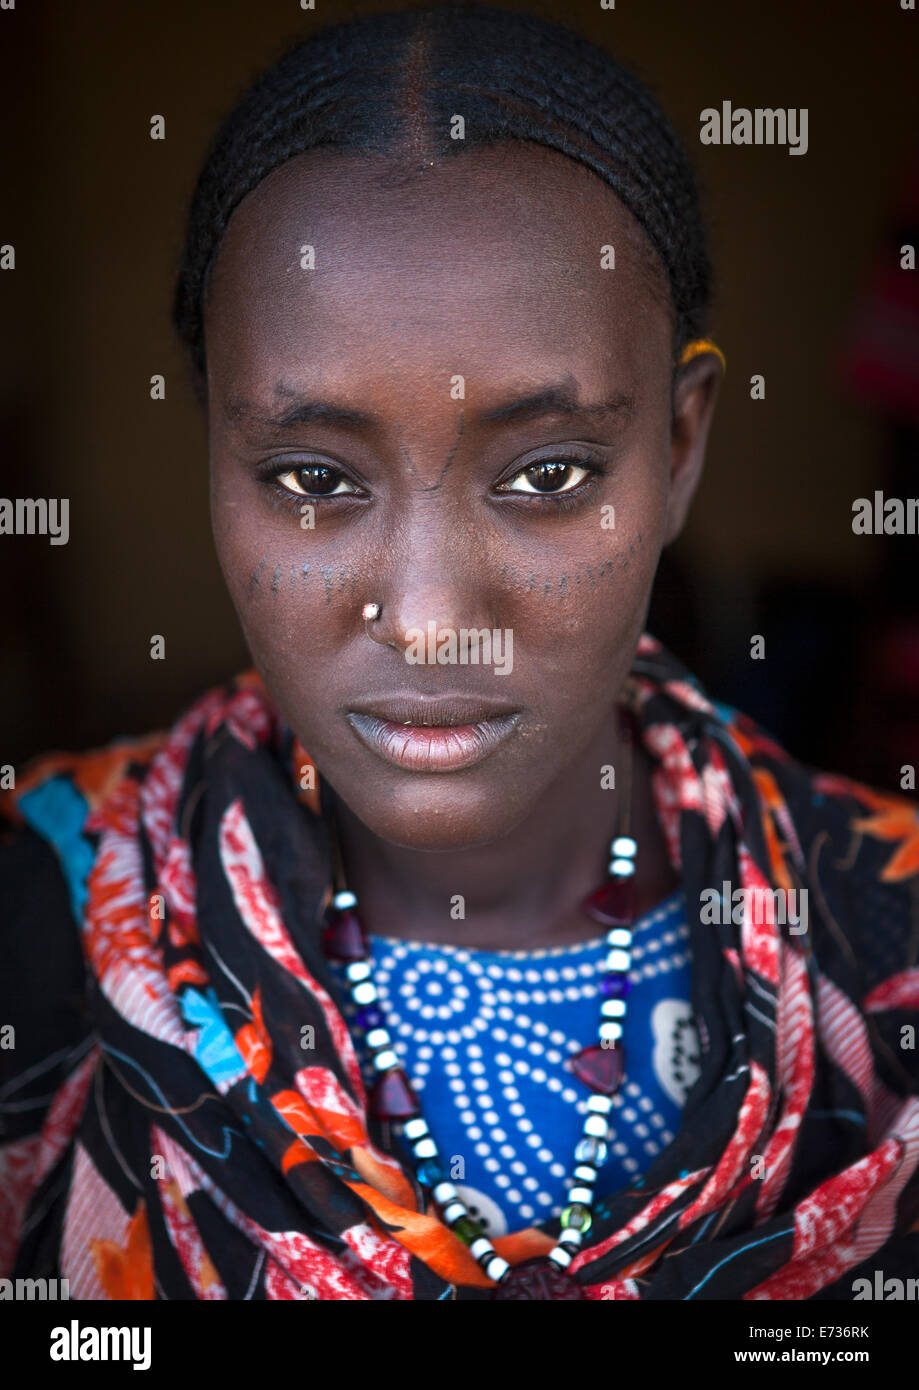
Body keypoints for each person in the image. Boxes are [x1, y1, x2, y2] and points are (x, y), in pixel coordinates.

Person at [2, 2, 918, 1301]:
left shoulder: (889, 934)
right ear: (212, 448)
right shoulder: (39, 917)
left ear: (679, 443)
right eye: (313, 475)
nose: (430, 618)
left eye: (548, 471)